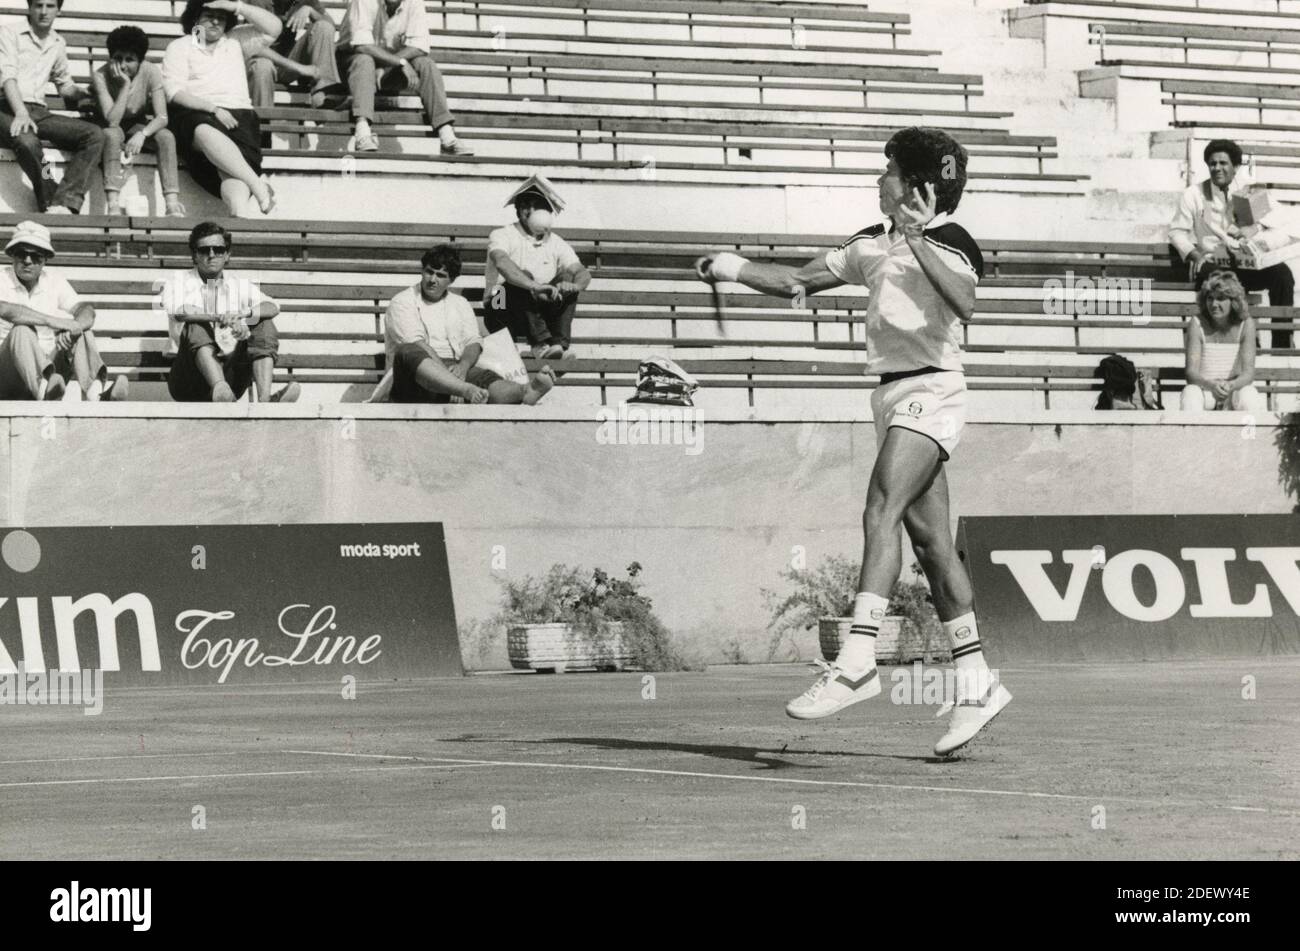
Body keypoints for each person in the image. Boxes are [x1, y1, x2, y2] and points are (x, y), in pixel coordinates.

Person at [695, 127, 1011, 756]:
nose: (878, 179)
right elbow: (796, 281)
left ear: (917, 186)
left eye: (889, 170)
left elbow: (967, 303)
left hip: (934, 391)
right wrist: (730, 266)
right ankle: (976, 681)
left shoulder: (951, 241)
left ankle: (860, 657)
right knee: (930, 543)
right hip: (892, 396)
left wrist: (918, 239)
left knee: (879, 507)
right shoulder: (871, 244)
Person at [384, 244, 556, 404]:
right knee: (408, 351)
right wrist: (453, 383)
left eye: (441, 275)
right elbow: (419, 345)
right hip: (417, 377)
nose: (433, 279)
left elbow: (473, 341)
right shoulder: (402, 301)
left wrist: (463, 367)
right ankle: (464, 389)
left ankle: (525, 391)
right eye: (429, 272)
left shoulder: (460, 303)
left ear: (451, 280)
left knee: (484, 376)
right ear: (422, 271)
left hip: (455, 369)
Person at [1169, 138, 1294, 350]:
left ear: (1235, 167)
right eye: (1212, 163)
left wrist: (1257, 227)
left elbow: (1281, 215)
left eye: (1223, 163)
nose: (1217, 168)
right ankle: (1233, 345)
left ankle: (1281, 346)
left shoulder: (1249, 190)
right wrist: (1195, 255)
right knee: (1218, 280)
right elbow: (1176, 232)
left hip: (1245, 263)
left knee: (1282, 275)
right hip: (1214, 264)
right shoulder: (1194, 194)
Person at [161, 0, 280, 216]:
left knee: (233, 174)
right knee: (203, 130)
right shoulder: (182, 46)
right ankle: (259, 186)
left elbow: (274, 28)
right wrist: (213, 109)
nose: (216, 21)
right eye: (209, 15)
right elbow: (174, 92)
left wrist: (236, 6)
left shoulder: (234, 42)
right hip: (196, 113)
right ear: (196, 17)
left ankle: (239, 215)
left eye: (222, 17)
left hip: (239, 115)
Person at [160, 221, 300, 403]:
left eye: (218, 250)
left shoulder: (237, 284)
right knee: (196, 323)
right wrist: (219, 317)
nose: (211, 255)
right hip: (189, 379)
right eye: (204, 250)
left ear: (227, 254)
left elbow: (272, 306)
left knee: (262, 321)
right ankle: (220, 389)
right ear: (194, 255)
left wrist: (242, 315)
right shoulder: (178, 280)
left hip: (231, 372)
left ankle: (265, 401)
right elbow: (179, 312)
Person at [0, 220, 128, 401]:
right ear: (12, 255)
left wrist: (74, 327)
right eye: (22, 254)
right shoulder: (2, 278)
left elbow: (86, 310)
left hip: (53, 377)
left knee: (82, 332)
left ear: (45, 259)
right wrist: (55, 322)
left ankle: (97, 395)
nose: (27, 261)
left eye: (35, 256)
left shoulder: (54, 281)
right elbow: (5, 310)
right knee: (21, 330)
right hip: (6, 376)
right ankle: (43, 390)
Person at [0, 0, 104, 214]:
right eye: (38, 5)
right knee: (27, 142)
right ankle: (50, 197)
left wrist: (84, 92)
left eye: (50, 6)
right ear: (29, 7)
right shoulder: (9, 33)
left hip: (39, 111)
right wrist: (20, 112)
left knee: (94, 135)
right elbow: (7, 77)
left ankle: (67, 199)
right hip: (6, 107)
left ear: (59, 9)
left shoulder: (57, 42)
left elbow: (64, 86)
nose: (44, 12)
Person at [335, 0, 473, 155]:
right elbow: (362, 45)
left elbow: (420, 46)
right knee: (364, 60)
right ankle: (362, 132)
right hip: (350, 65)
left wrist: (386, 67)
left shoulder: (414, 2)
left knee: (425, 64)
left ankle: (446, 134)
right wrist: (399, 62)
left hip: (386, 68)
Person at [483, 174, 589, 359]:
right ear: (517, 210)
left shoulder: (556, 242)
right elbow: (502, 263)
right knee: (521, 277)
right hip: (499, 307)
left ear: (547, 212)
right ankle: (540, 344)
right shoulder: (501, 234)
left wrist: (575, 286)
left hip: (538, 313)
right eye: (525, 205)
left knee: (567, 278)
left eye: (537, 206)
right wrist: (534, 286)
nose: (529, 211)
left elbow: (581, 272)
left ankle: (559, 346)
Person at [89, 26, 184, 217]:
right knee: (111, 135)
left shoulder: (150, 71)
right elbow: (112, 121)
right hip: (109, 124)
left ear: (140, 61)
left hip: (136, 124)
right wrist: (125, 85)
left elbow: (162, 117)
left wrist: (143, 134)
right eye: (117, 58)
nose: (122, 65)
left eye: (129, 59)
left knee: (165, 137)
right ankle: (113, 203)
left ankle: (172, 203)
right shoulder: (100, 75)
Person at [1181, 270, 1266, 413]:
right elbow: (1191, 373)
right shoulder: (1196, 323)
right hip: (1205, 389)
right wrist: (1211, 386)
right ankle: (1192, 435)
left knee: (1250, 396)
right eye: (1210, 298)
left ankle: (1252, 436)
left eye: (1220, 298)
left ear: (1233, 302)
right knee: (1190, 393)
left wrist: (1230, 386)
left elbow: (1248, 374)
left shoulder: (1246, 324)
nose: (1214, 304)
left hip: (1234, 389)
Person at [245, 0, 345, 109]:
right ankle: (262, 121)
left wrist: (309, 9)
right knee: (262, 67)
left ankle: (322, 93)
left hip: (288, 60)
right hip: (261, 59)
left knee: (324, 26)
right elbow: (256, 47)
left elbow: (329, 23)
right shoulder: (257, 2)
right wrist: (299, 68)